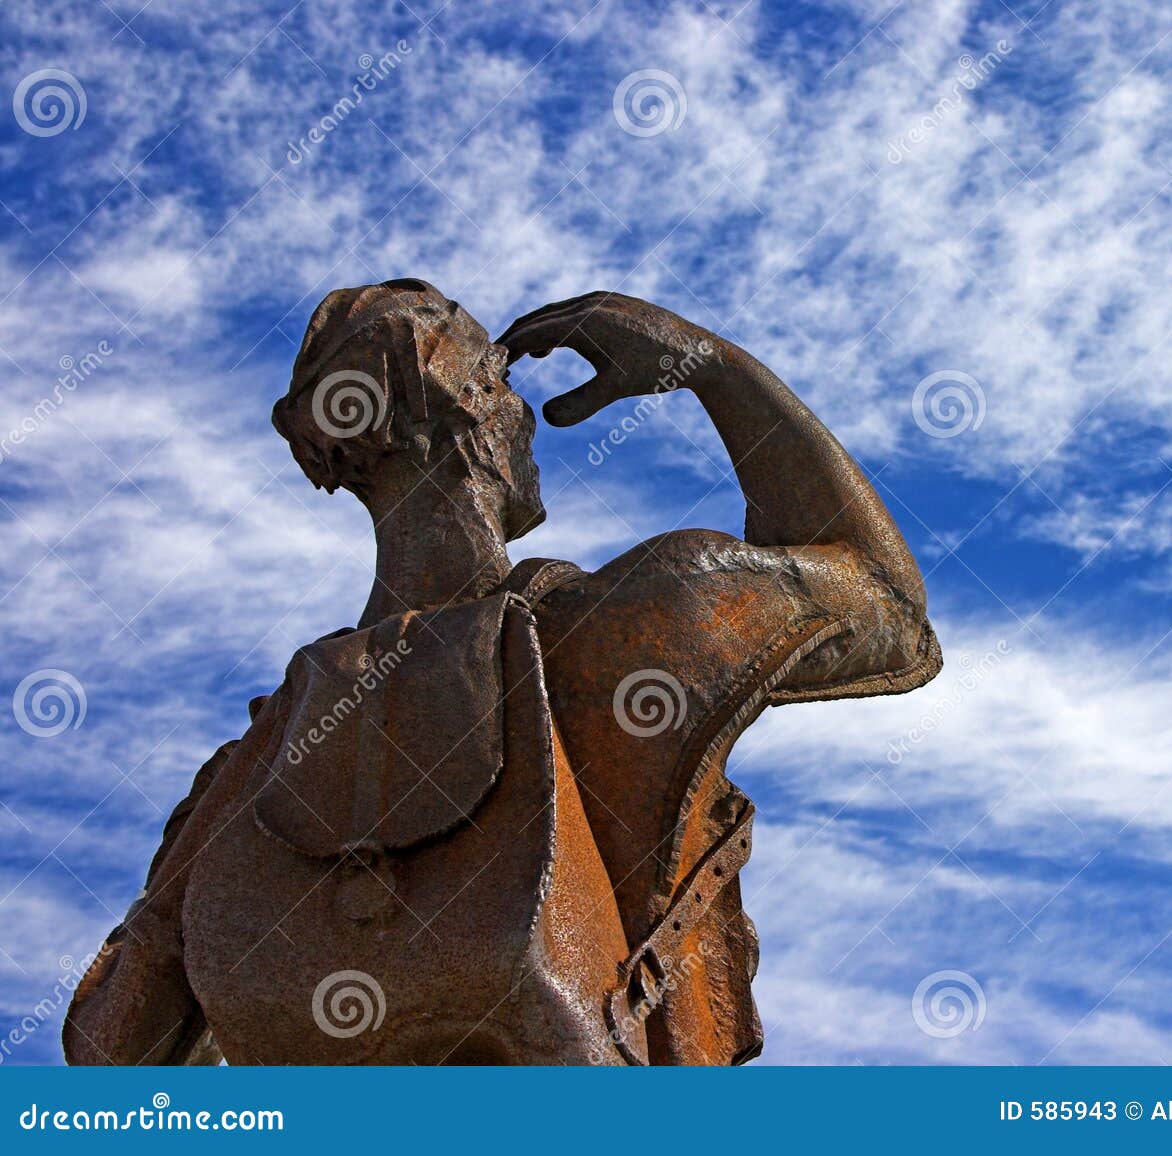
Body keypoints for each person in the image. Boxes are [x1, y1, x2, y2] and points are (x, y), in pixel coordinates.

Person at [64, 279, 940, 1065]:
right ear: (474, 409)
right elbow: (892, 609)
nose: (525, 417)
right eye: (505, 384)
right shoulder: (621, 629)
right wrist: (708, 362)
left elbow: (113, 1046)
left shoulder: (261, 759)